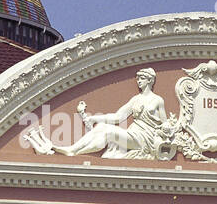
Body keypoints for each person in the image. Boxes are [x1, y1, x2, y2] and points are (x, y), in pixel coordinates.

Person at [29, 68, 168, 158]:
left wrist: (167, 130)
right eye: (138, 78)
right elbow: (117, 117)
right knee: (102, 127)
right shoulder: (136, 99)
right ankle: (72, 150)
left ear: (150, 80)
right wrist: (93, 118)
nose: (138, 81)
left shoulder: (157, 100)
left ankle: (73, 151)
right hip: (134, 134)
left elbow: (165, 122)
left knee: (108, 132)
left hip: (145, 139)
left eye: (142, 78)